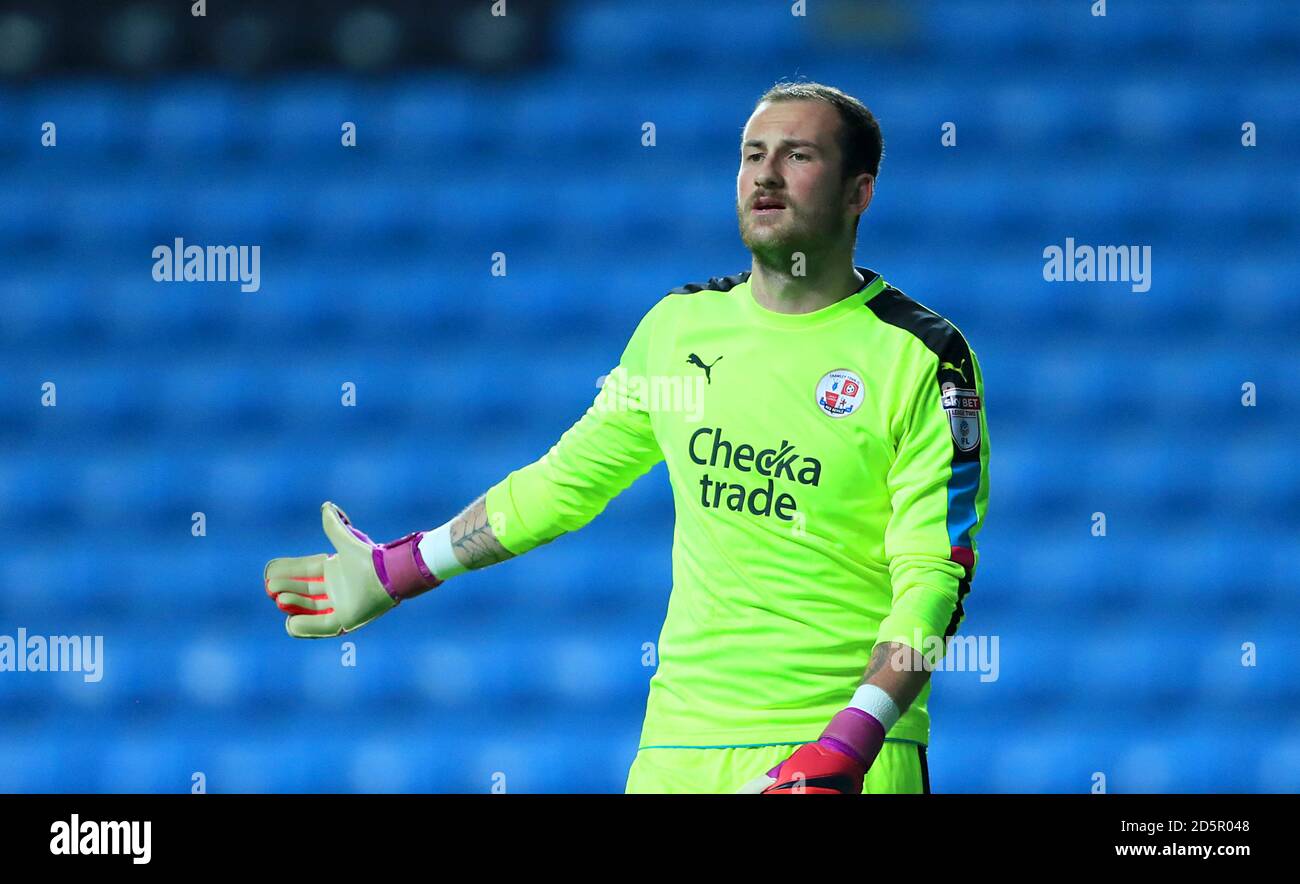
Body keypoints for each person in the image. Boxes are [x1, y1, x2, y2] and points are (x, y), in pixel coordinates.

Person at [263, 81, 990, 794]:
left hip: (841, 755)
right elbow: (563, 484)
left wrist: (850, 741)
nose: (765, 174)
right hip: (677, 749)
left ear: (858, 192)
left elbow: (935, 577)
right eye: (751, 154)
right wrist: (400, 569)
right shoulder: (680, 329)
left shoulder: (923, 356)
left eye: (798, 156)